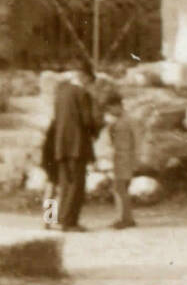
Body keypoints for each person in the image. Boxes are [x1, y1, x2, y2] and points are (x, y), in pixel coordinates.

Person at [50, 61, 99, 232]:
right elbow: (87, 121)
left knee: (64, 183)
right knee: (76, 185)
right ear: (84, 77)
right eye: (89, 80)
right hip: (77, 146)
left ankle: (57, 219)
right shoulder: (81, 93)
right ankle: (69, 222)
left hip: (60, 145)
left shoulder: (61, 93)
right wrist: (98, 128)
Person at [103, 92, 138, 230]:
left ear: (118, 105)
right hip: (120, 157)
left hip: (125, 157)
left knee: (119, 188)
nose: (109, 111)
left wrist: (136, 159)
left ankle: (124, 219)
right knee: (121, 189)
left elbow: (136, 140)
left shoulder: (127, 120)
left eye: (110, 108)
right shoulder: (119, 120)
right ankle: (126, 218)